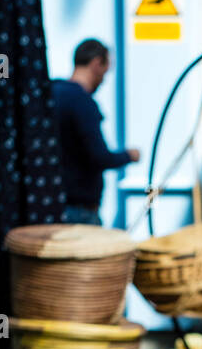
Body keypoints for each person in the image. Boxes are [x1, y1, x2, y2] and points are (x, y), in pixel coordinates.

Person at [51, 39, 140, 225]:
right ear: (97, 63)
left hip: (55, 205)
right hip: (80, 212)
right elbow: (99, 156)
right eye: (106, 72)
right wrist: (129, 156)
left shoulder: (53, 93)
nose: (104, 80)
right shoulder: (82, 101)